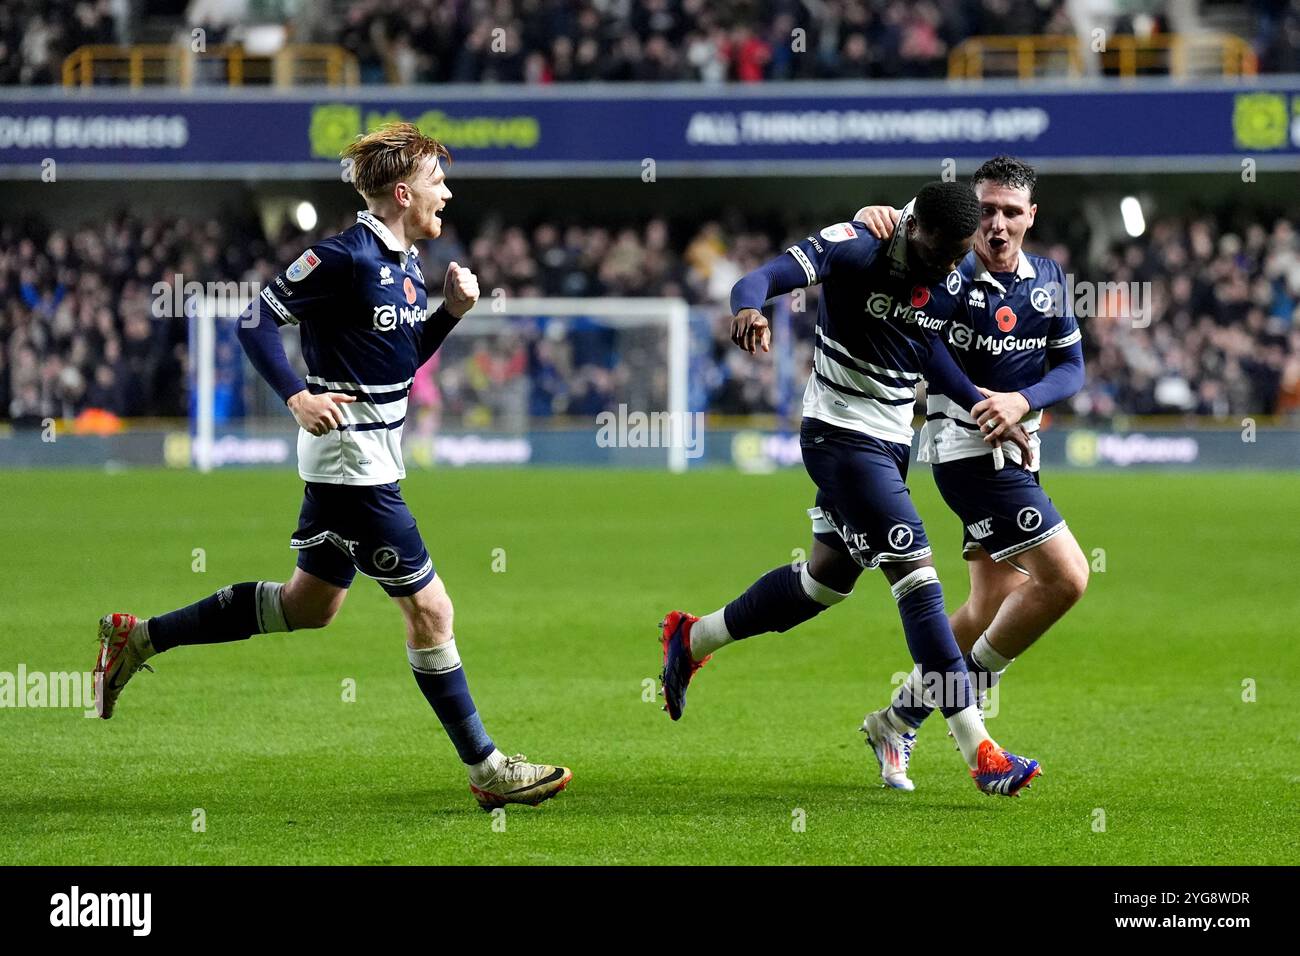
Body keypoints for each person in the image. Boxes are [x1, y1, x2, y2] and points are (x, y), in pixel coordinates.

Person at [93, 123, 572, 811]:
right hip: (354, 470)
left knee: (307, 606)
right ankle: (488, 769)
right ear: (403, 193)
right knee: (432, 611)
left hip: (366, 461)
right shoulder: (343, 257)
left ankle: (137, 638)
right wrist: (296, 394)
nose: (449, 191)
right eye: (439, 180)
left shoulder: (406, 265)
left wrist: (451, 315)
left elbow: (399, 366)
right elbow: (254, 320)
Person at [659, 181, 1042, 797]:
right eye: (942, 253)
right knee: (916, 568)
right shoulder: (858, 244)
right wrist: (748, 309)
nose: (950, 267)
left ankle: (691, 636)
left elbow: (928, 345)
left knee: (824, 583)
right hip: (839, 435)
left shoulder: (948, 263)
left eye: (957, 256)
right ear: (916, 230)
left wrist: (982, 405)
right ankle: (981, 750)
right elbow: (758, 279)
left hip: (891, 441)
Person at [852, 156, 1088, 790]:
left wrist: (1024, 401)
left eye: (1012, 212)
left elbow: (1073, 369)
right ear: (970, 216)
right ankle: (972, 699)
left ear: (1031, 216)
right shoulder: (945, 279)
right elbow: (921, 351)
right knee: (1067, 578)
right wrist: (869, 215)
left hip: (1020, 452)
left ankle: (896, 719)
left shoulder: (1048, 279)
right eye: (986, 211)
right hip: (967, 456)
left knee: (988, 603)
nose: (999, 225)